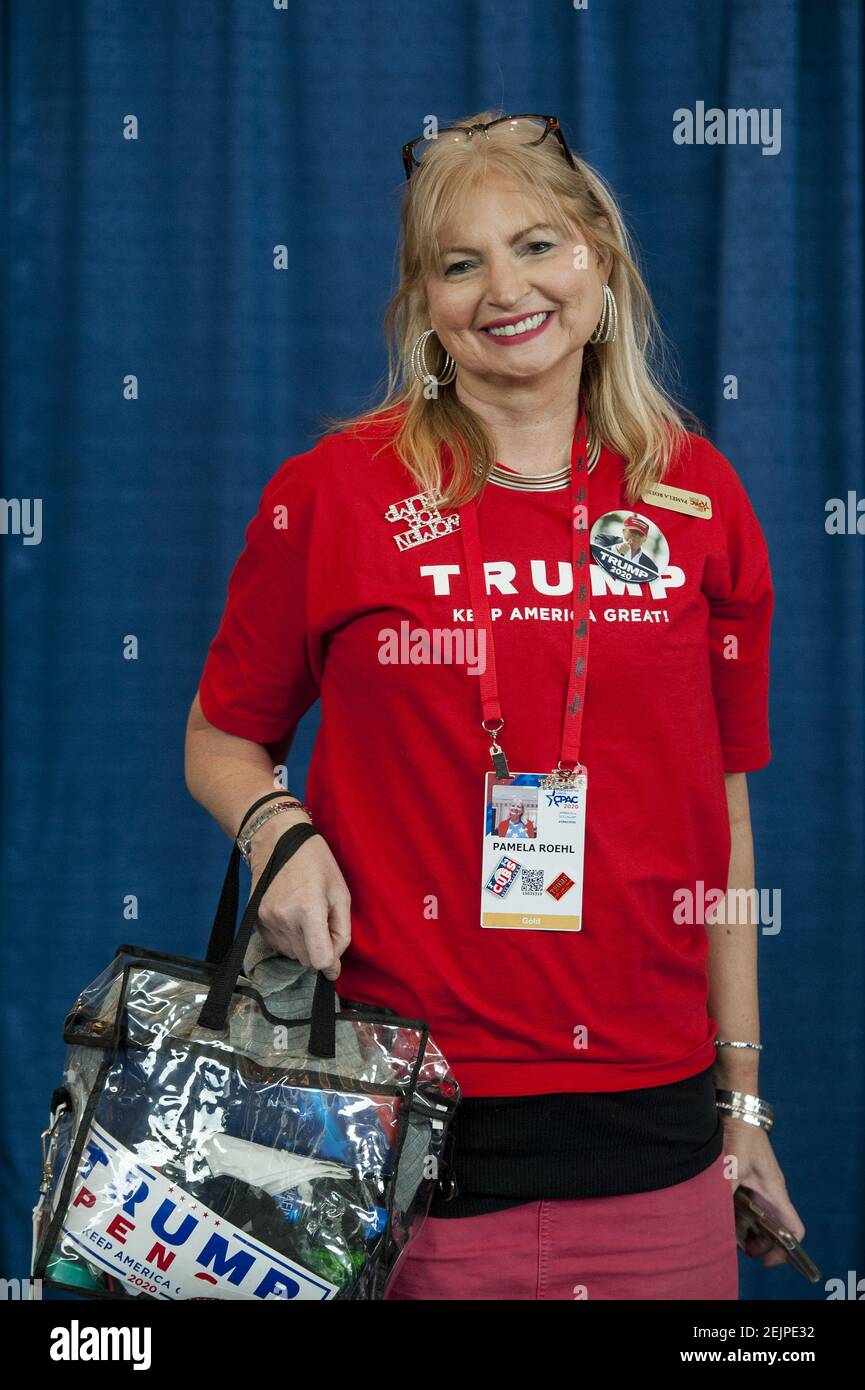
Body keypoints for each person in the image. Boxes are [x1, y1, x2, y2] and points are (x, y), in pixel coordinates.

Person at [184, 110, 804, 1300]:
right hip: (399, 1137)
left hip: (656, 1149)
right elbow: (222, 734)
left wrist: (743, 1102)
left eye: (537, 246)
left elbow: (719, 817)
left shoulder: (696, 496)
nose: (504, 288)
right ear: (422, 300)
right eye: (459, 262)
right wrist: (278, 833)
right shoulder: (331, 494)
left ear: (600, 265)